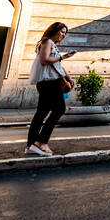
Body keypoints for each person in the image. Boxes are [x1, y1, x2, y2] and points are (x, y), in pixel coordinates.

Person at [27, 22, 75, 157]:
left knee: (41, 114)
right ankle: (41, 141)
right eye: (62, 31)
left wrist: (68, 77)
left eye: (65, 33)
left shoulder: (52, 45)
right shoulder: (47, 42)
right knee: (59, 110)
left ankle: (30, 144)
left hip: (49, 82)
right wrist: (64, 56)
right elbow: (44, 60)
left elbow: (57, 65)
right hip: (49, 83)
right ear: (54, 30)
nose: (63, 35)